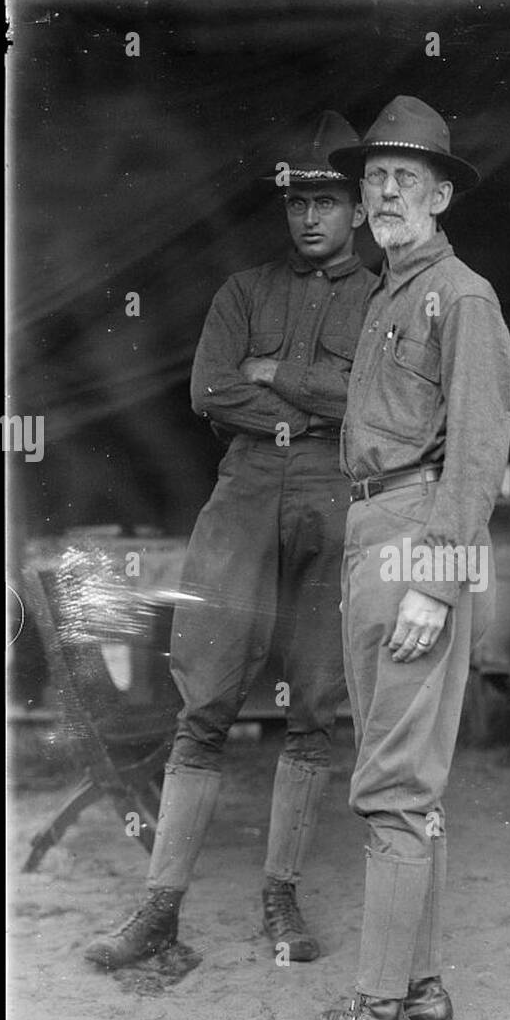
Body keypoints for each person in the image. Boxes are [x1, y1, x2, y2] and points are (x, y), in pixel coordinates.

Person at [86, 111, 375, 970]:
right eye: (297, 202)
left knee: (315, 707)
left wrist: (277, 374)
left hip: (335, 492)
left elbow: (371, 406)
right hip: (246, 489)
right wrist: (305, 399)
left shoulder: (385, 299)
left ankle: (279, 898)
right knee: (203, 701)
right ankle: (159, 909)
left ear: (359, 209)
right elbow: (210, 393)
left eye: (327, 200)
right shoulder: (242, 292)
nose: (310, 216)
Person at [269, 95, 510, 1020]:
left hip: (417, 540)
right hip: (375, 527)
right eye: (373, 179)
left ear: (442, 193)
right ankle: (418, 989)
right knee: (401, 775)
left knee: (391, 791)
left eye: (405, 179)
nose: (384, 195)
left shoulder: (461, 297)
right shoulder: (386, 294)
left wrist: (437, 583)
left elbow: (478, 455)